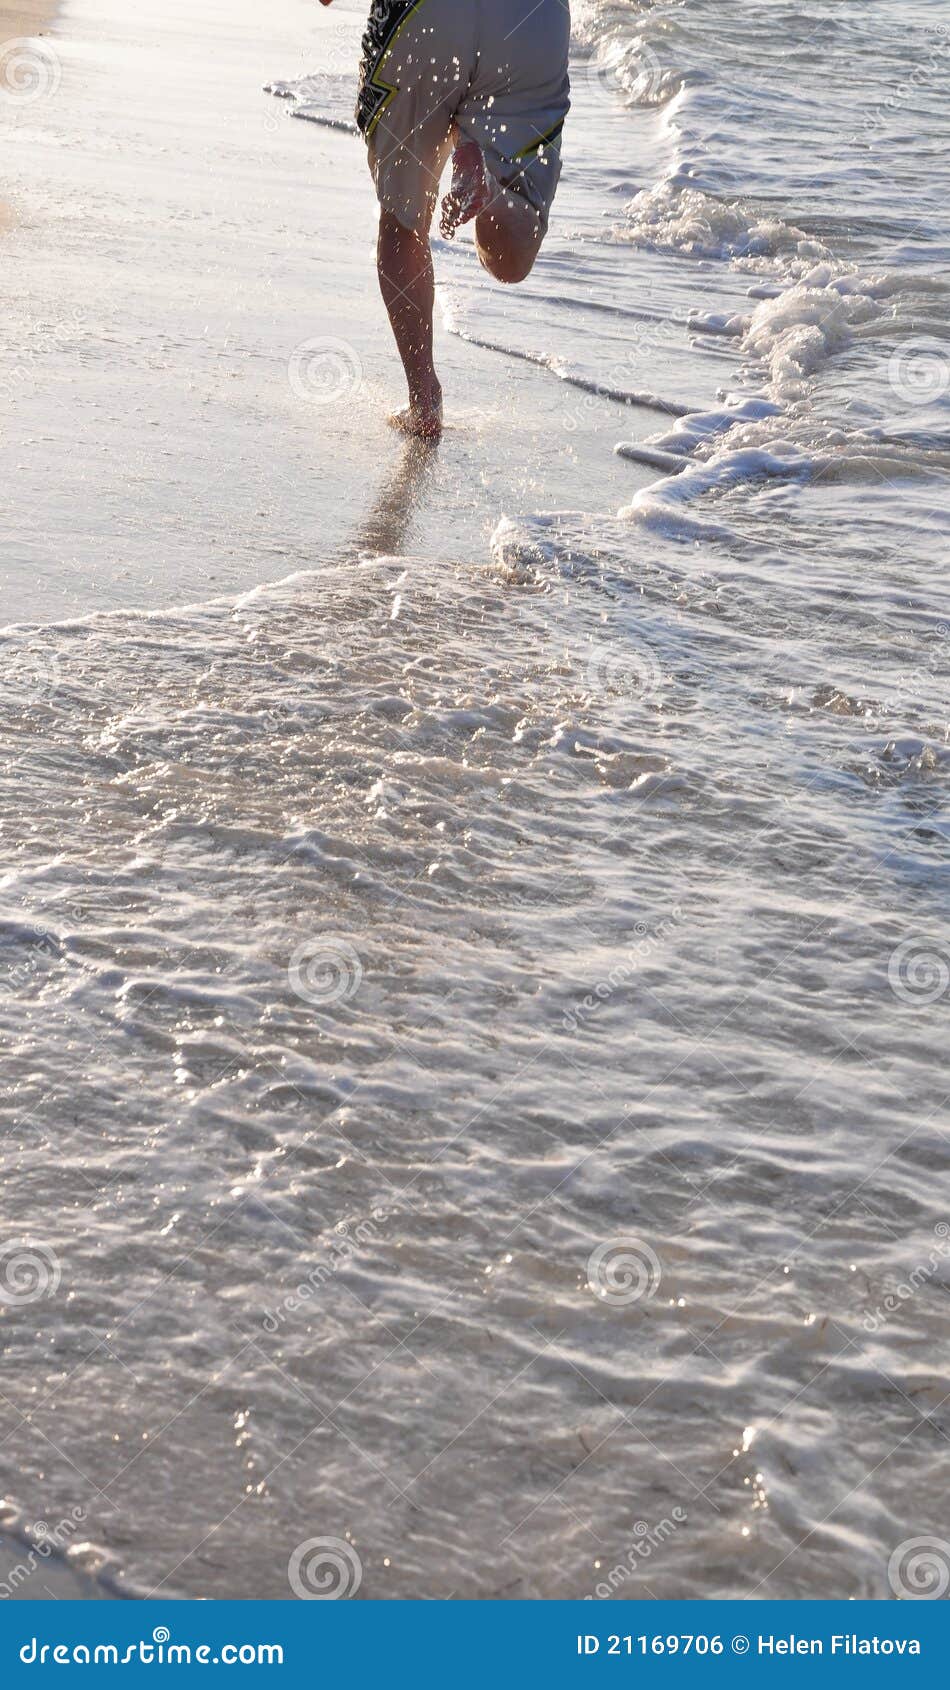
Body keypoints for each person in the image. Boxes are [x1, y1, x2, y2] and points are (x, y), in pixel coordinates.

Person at [320, 0, 571, 438]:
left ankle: (424, 401)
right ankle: (490, 192)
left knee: (404, 217)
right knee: (511, 262)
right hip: (531, 23)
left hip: (424, 17)